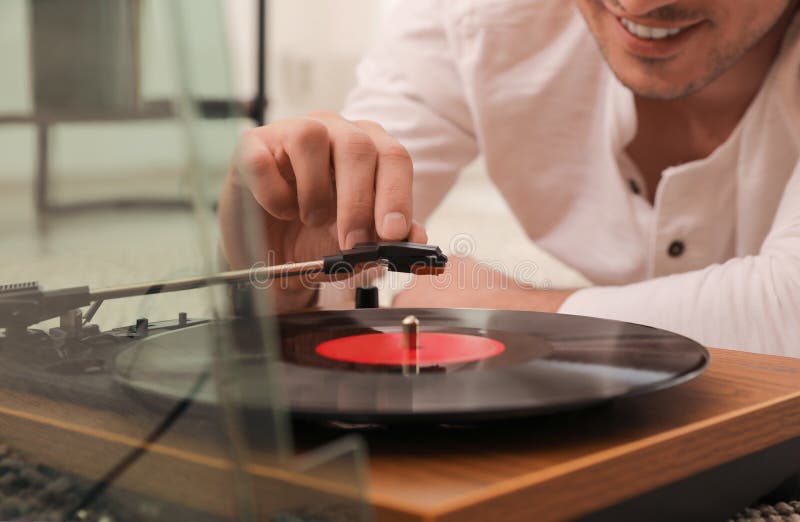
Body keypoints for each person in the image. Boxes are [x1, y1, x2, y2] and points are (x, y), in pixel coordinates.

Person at [219, 0, 800, 357]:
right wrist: (288, 280)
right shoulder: (472, 15)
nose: (640, 3)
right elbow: (345, 222)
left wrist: (521, 313)